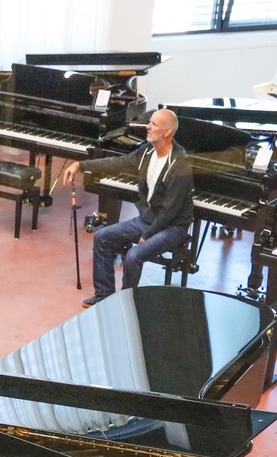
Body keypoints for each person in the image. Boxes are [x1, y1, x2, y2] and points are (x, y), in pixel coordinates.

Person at [61, 108, 193, 307]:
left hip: (172, 228)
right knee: (102, 237)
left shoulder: (179, 164)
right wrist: (81, 165)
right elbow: (117, 163)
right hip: (148, 219)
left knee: (133, 256)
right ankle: (104, 296)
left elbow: (170, 211)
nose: (148, 126)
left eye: (154, 124)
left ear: (166, 132)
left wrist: (148, 234)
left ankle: (125, 304)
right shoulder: (147, 151)